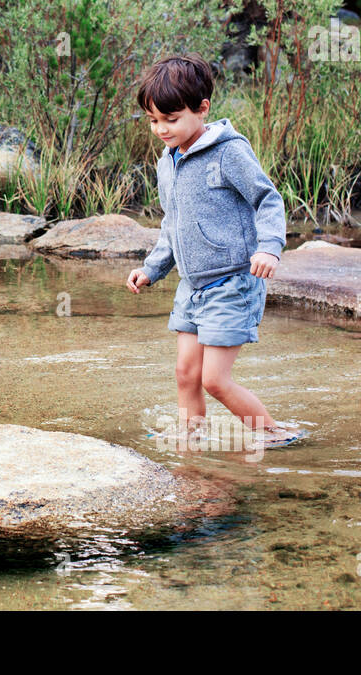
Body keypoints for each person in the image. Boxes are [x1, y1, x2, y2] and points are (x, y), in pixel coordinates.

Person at [125, 52, 305, 450]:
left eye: (171, 119)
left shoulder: (228, 152)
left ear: (202, 108)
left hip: (233, 282)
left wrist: (270, 248)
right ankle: (192, 436)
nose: (161, 129)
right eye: (153, 120)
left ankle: (276, 434)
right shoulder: (167, 162)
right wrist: (152, 268)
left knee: (214, 379)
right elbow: (172, 223)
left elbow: (267, 200)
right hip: (192, 287)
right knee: (185, 373)